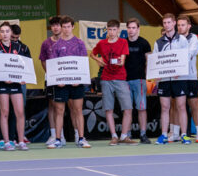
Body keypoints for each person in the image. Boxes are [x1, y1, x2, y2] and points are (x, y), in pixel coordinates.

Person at [48, 16, 91, 149]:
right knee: (59, 110)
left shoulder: (80, 43)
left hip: (76, 84)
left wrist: (78, 80)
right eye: (64, 27)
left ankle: (81, 139)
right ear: (61, 28)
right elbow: (53, 66)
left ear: (73, 27)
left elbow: (83, 63)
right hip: (61, 84)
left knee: (78, 110)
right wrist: (58, 81)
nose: (66, 29)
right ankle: (58, 139)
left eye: (68, 26)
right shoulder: (56, 45)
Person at [0, 22, 31, 151]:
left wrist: (24, 77)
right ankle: (7, 141)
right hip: (2, 84)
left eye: (7, 31)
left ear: (11, 33)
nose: (5, 34)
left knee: (19, 112)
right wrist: (3, 77)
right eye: (2, 31)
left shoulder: (18, 48)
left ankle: (20, 141)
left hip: (16, 84)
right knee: (4, 112)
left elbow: (25, 66)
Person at [92, 19, 133, 145]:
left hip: (120, 78)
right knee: (108, 109)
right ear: (107, 30)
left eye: (114, 29)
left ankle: (124, 136)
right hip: (106, 79)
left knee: (128, 108)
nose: (112, 32)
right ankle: (114, 136)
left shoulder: (123, 42)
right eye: (110, 29)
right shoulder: (102, 43)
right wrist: (98, 60)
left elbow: (123, 60)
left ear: (118, 30)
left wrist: (121, 61)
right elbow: (92, 54)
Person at [154, 14, 190, 144]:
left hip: (179, 79)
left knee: (181, 106)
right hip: (164, 80)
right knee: (165, 107)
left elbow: (186, 58)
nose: (167, 25)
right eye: (164, 23)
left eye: (169, 22)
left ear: (174, 23)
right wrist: (156, 75)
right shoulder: (158, 42)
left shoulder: (182, 40)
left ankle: (184, 135)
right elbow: (156, 61)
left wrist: (179, 71)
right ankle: (164, 134)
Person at [176, 15, 198, 143]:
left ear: (189, 26)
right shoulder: (174, 39)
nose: (180, 27)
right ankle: (176, 133)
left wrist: (179, 56)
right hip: (177, 77)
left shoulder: (194, 38)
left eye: (183, 25)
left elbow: (190, 53)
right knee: (177, 106)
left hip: (190, 77)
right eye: (179, 25)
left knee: (194, 105)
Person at [124, 18, 152, 144]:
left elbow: (149, 62)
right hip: (124, 81)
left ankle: (143, 134)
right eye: (129, 28)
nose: (131, 30)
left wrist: (147, 76)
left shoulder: (144, 43)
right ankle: (127, 135)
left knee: (141, 108)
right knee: (127, 109)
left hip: (140, 80)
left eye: (133, 28)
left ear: (138, 29)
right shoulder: (123, 43)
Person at [39, 16, 64, 146]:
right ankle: (54, 135)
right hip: (51, 79)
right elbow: (43, 60)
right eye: (53, 25)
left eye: (58, 25)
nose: (55, 27)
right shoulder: (46, 43)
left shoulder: (68, 42)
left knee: (65, 106)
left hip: (66, 79)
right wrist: (51, 74)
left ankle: (69, 135)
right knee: (52, 106)